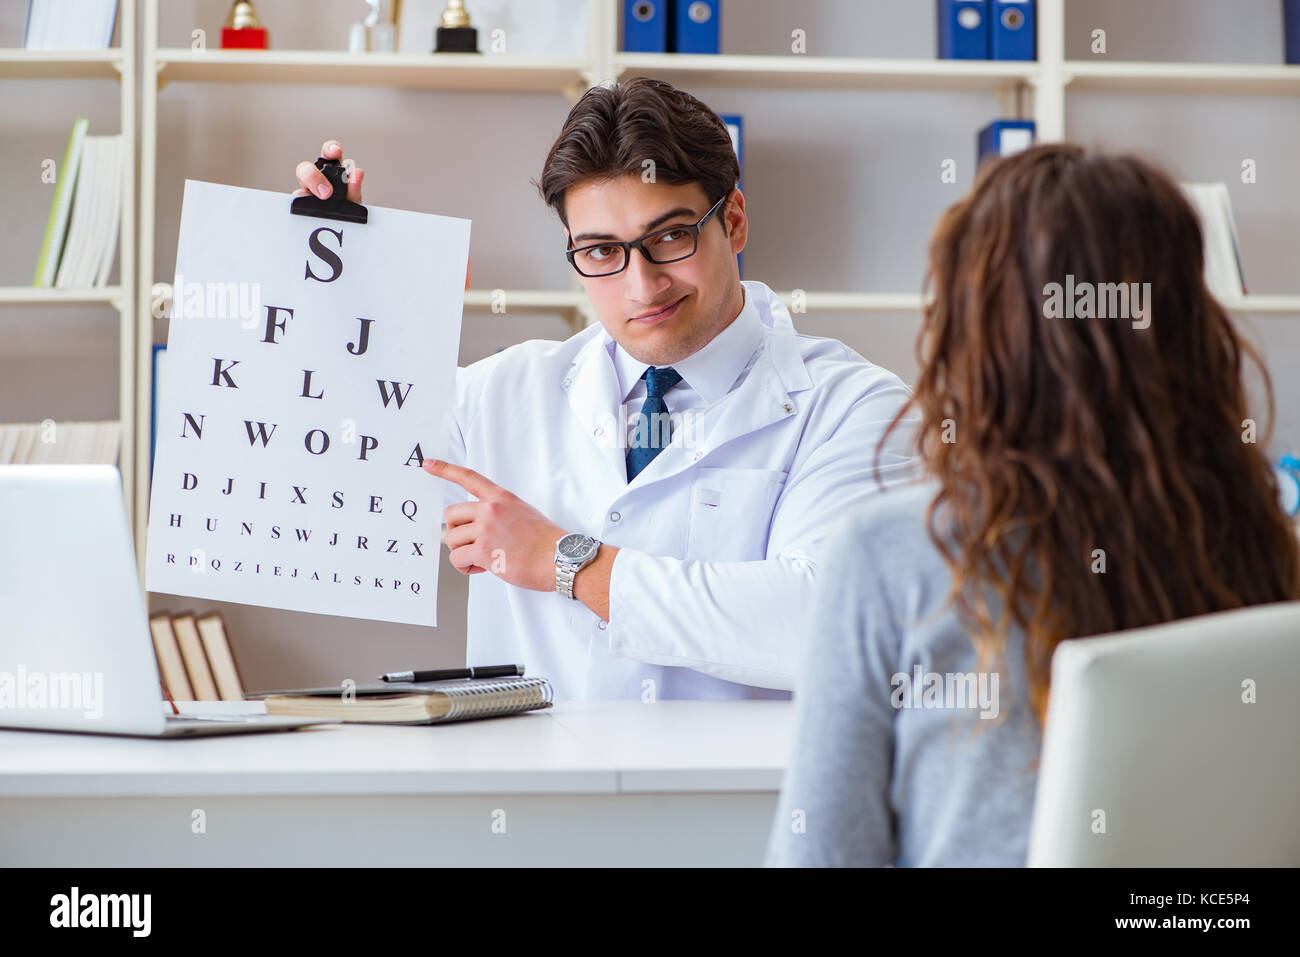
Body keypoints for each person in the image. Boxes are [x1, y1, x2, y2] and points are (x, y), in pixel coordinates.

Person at [293, 78, 918, 700]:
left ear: (733, 219)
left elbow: (830, 625)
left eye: (670, 236)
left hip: (735, 798)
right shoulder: (500, 396)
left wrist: (565, 562)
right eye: (599, 251)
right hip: (533, 795)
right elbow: (309, 485)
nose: (641, 286)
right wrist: (337, 291)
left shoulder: (856, 408)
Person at [765, 143, 1300, 866]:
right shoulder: (1264, 541)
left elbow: (821, 854)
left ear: (976, 336)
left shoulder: (893, 557)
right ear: (1190, 328)